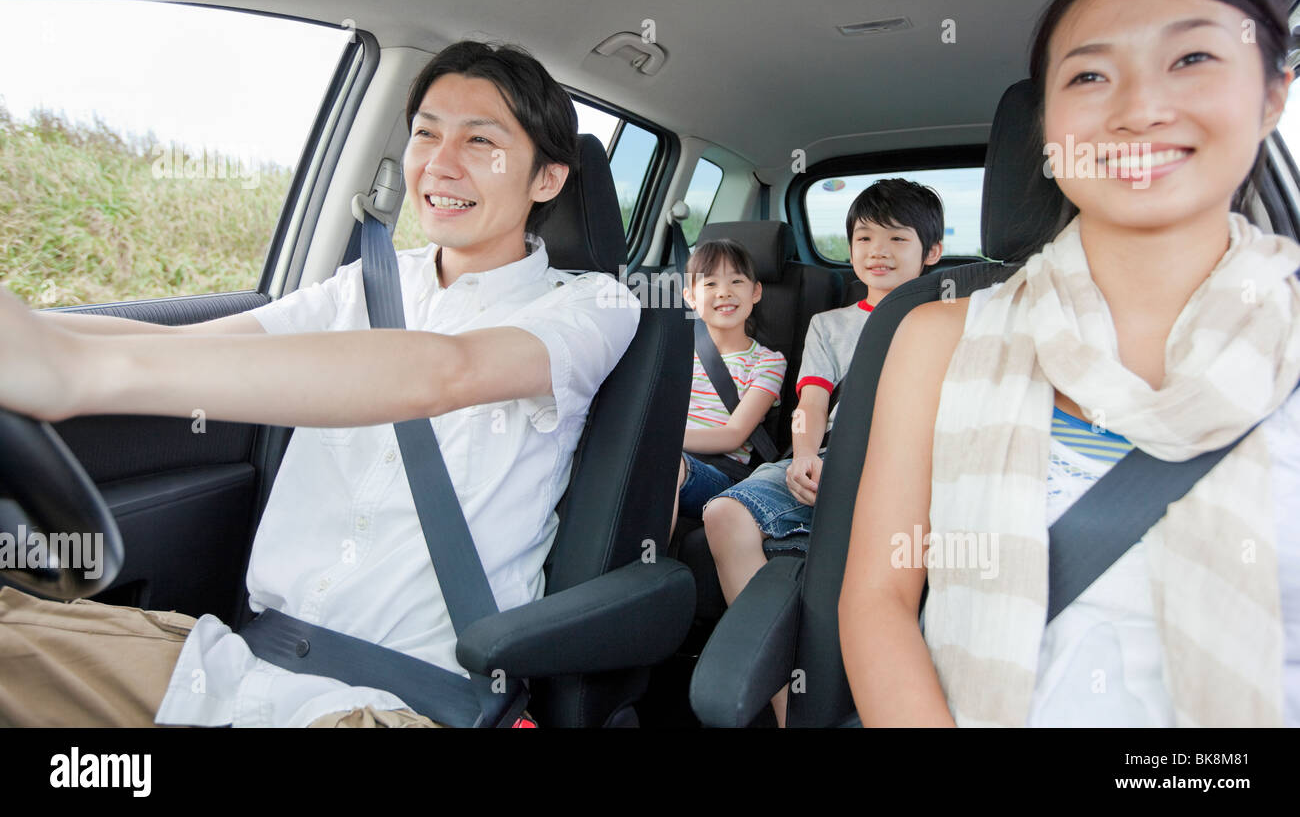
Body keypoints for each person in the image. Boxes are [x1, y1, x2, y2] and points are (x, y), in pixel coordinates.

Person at [0, 40, 641, 727]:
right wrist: (41, 337)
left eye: (480, 141)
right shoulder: (364, 287)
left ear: (546, 178)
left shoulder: (594, 305)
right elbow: (192, 349)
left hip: (398, 703)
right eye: (426, 133)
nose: (439, 163)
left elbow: (445, 372)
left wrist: (77, 374)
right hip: (233, 668)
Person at [839, 0, 1299, 727]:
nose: (1140, 108)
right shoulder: (937, 339)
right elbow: (879, 597)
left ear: (1272, 95)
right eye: (1090, 74)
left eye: (1191, 59)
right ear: (1050, 131)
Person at [705, 178, 943, 725]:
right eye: (863, 239)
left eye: (896, 240)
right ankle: (791, 708)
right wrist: (806, 454)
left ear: (930, 252)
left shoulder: (951, 317)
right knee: (723, 513)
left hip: (912, 466)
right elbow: (810, 404)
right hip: (832, 455)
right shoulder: (830, 324)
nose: (877, 253)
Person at [673, 239, 785, 536]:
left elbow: (733, 434)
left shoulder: (768, 362)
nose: (724, 292)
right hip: (670, 453)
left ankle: (648, 570)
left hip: (723, 475)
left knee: (665, 465)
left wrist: (664, 440)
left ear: (756, 291)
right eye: (710, 284)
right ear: (690, 297)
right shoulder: (676, 352)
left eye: (736, 280)